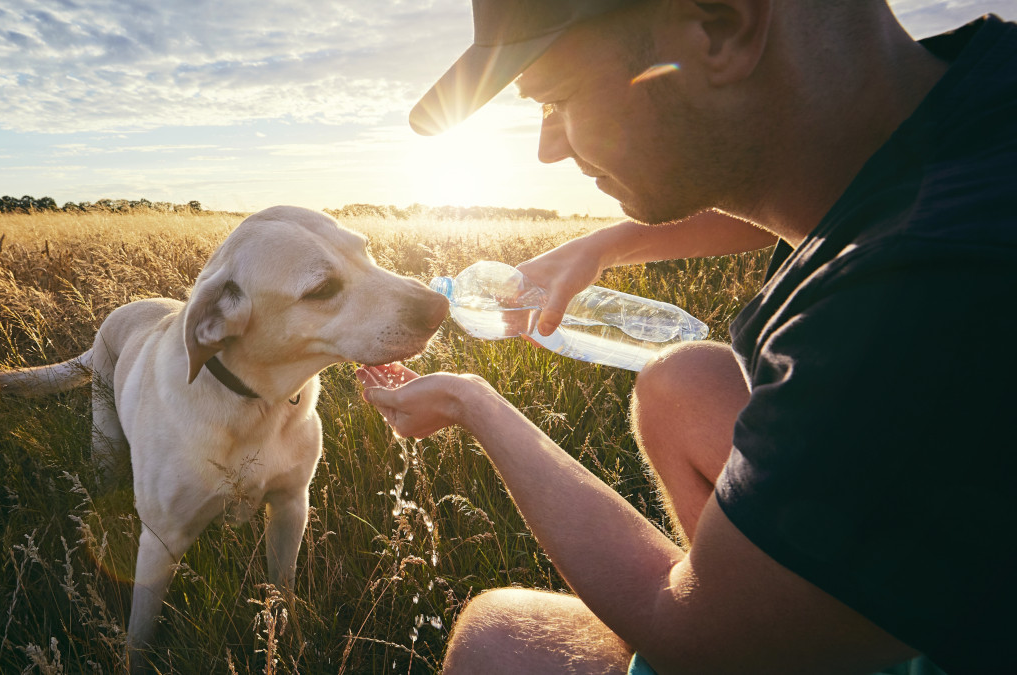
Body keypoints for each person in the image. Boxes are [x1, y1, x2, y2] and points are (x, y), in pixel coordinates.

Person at [355, 1, 1017, 673]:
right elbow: (821, 180)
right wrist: (607, 245)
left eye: (556, 99)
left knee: (495, 638)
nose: (547, 146)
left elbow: (697, 634)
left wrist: (477, 405)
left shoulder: (925, 295)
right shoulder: (974, 100)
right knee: (679, 383)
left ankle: (771, 603)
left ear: (720, 26)